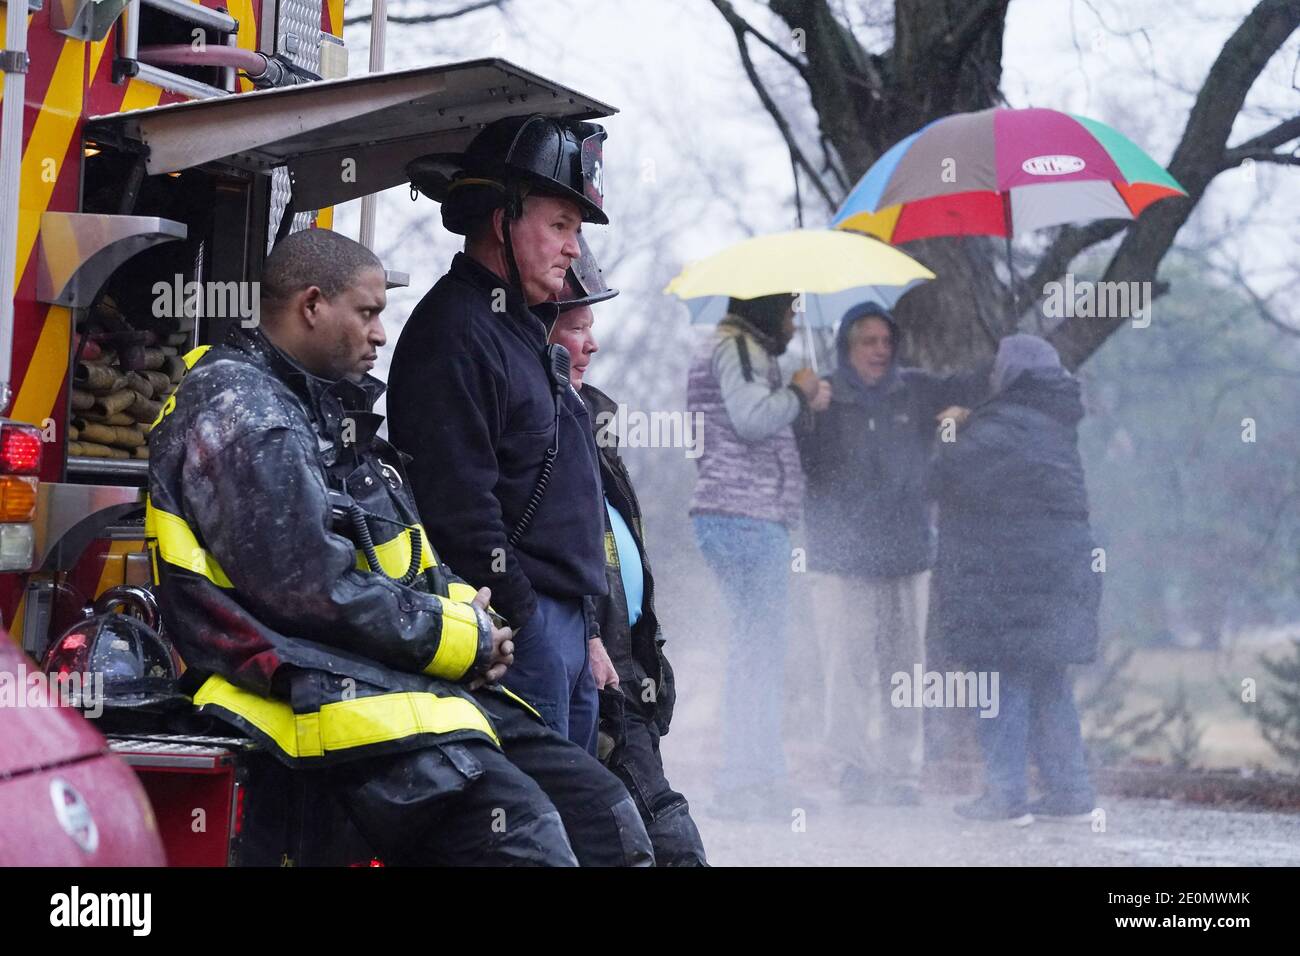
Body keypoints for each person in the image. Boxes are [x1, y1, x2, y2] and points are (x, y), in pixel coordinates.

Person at [147, 228, 653, 866]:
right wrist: (463, 638)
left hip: (392, 677)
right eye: (368, 313)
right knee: (522, 836)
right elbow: (313, 592)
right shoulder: (247, 416)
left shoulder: (320, 410)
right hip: (308, 688)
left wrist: (474, 612)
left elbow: (400, 554)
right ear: (311, 306)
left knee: (602, 814)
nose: (382, 335)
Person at [388, 115, 609, 754]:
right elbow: (459, 508)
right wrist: (526, 622)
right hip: (519, 623)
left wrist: (585, 626)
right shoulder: (456, 332)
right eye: (560, 225)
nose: (574, 249)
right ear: (500, 221)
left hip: (561, 621)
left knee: (576, 823)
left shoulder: (516, 327)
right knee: (533, 837)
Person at [546, 249, 709, 866]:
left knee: (651, 826)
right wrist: (589, 640)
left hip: (623, 673)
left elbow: (617, 550)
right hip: (587, 674)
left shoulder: (589, 422)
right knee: (647, 835)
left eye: (592, 329)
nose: (591, 346)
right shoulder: (542, 427)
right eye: (575, 329)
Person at [795, 302, 988, 805]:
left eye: (886, 341)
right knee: (848, 672)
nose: (880, 351)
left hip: (907, 554)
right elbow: (806, 468)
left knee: (907, 673)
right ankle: (853, 770)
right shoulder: (825, 397)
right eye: (868, 342)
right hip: (840, 559)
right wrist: (806, 410)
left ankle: (903, 774)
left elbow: (974, 387)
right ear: (847, 347)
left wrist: (965, 411)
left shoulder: (917, 390)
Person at [929, 333, 1101, 825]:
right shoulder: (1057, 426)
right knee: (1050, 681)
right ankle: (1071, 792)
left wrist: (948, 427)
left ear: (1010, 377)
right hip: (1063, 577)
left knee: (999, 679)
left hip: (1006, 581)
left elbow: (939, 477)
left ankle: (1005, 797)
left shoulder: (996, 429)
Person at [686, 293, 831, 819]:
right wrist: (796, 392)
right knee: (760, 654)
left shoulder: (738, 347)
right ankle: (750, 784)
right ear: (767, 308)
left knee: (757, 651)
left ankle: (756, 779)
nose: (794, 320)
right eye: (789, 310)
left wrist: (800, 400)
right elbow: (750, 419)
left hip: (740, 516)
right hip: (745, 516)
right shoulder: (738, 346)